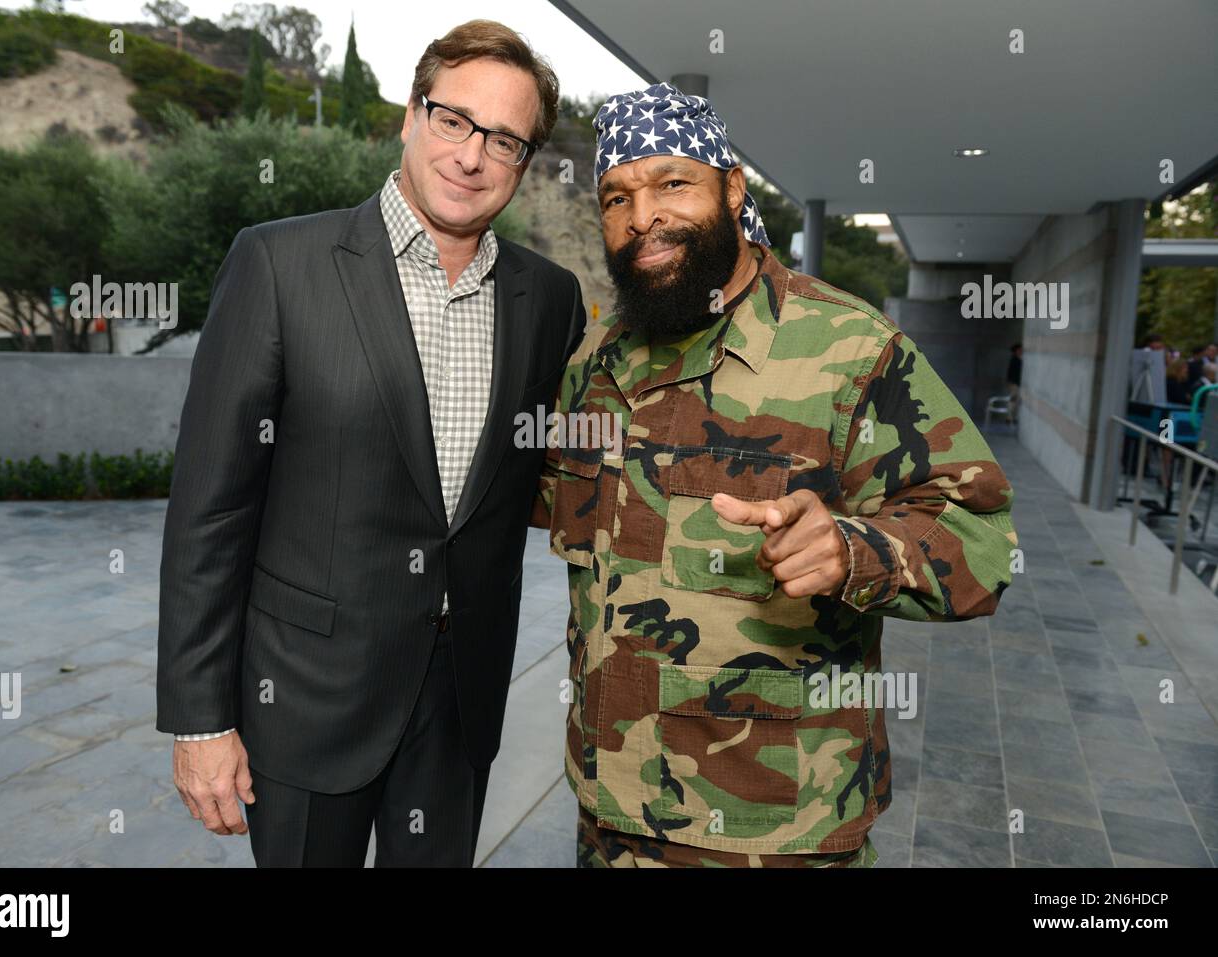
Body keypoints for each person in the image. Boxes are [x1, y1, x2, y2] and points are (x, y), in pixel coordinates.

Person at [532, 82, 1017, 868]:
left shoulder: (849, 350)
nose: (641, 217)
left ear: (731, 188)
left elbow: (986, 539)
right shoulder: (595, 363)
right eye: (616, 196)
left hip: (776, 833)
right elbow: (546, 499)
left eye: (672, 184)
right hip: (609, 812)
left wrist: (857, 551)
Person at [157, 20, 585, 867]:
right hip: (308, 695)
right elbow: (210, 508)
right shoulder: (280, 264)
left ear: (525, 161)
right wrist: (201, 717)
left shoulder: (551, 299)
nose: (471, 155)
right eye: (454, 119)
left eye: (504, 139)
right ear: (410, 116)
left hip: (460, 703)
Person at [1005, 342, 1023, 422]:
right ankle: (1009, 418)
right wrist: (1011, 383)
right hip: (1014, 384)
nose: (1021, 351)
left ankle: (1012, 417)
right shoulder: (1015, 360)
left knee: (1015, 401)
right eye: (1019, 350)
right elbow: (1011, 373)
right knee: (1013, 400)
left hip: (1015, 383)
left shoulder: (1017, 359)